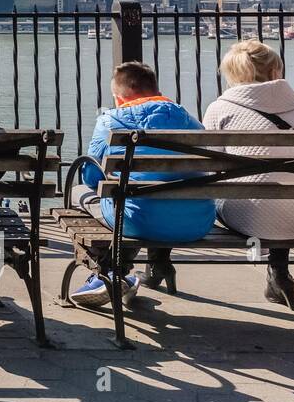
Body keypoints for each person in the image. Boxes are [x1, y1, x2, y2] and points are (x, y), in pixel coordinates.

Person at [71, 60, 215, 308]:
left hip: (136, 222)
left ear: (118, 98)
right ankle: (158, 263)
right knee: (160, 191)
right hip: (196, 222)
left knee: (81, 192)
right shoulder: (189, 120)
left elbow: (92, 178)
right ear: (157, 91)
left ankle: (107, 271)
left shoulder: (110, 121)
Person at [202, 40, 294, 310]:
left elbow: (209, 167)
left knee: (258, 197)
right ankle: (280, 274)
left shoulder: (219, 109)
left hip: (247, 217)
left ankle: (159, 265)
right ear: (275, 72)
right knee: (285, 192)